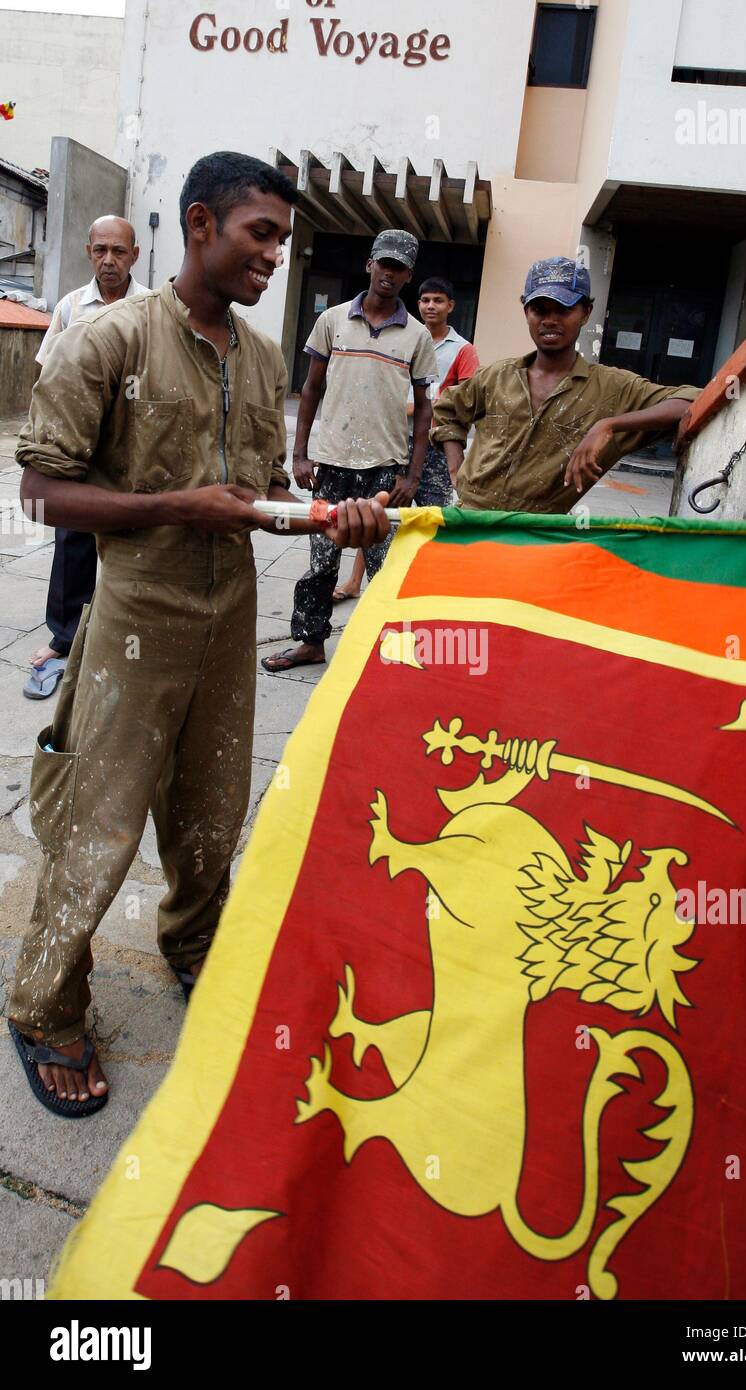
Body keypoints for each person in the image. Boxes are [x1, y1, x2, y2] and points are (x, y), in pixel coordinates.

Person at [7, 151, 389, 1118]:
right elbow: (40, 494)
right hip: (136, 619)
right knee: (98, 826)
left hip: (230, 623)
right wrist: (181, 502)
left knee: (214, 814)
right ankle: (44, 1004)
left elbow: (263, 492)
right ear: (201, 223)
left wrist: (330, 516)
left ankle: (192, 944)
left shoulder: (260, 358)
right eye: (261, 235)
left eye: (283, 242)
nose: (274, 257)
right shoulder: (113, 339)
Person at [262, 229, 436, 673]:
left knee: (384, 567)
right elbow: (311, 388)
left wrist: (411, 475)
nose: (389, 274)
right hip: (332, 465)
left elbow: (423, 412)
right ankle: (310, 642)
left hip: (385, 469)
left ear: (408, 275)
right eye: (383, 263)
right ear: (369, 264)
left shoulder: (417, 336)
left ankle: (384, 652)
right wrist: (299, 454)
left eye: (398, 267)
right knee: (321, 563)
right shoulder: (334, 320)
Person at [431, 256, 701, 512]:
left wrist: (608, 425)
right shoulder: (497, 376)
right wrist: (456, 471)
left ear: (586, 313)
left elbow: (691, 400)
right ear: (526, 311)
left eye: (563, 309)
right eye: (539, 310)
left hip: (540, 534)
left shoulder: (611, 388)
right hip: (471, 522)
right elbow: (448, 411)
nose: (550, 320)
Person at [24, 217, 148, 700]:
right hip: (78, 444)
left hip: (132, 446)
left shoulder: (150, 309)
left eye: (119, 251)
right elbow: (45, 376)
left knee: (135, 540)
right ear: (88, 251)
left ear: (134, 255)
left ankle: (128, 639)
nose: (109, 260)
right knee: (72, 538)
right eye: (100, 250)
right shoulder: (70, 308)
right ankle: (65, 635)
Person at [333, 275, 480, 603]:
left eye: (438, 301)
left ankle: (433, 590)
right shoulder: (404, 336)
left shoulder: (463, 350)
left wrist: (417, 407)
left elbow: (466, 398)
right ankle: (355, 581)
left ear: (451, 306)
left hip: (436, 451)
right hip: (394, 443)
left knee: (434, 520)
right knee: (378, 513)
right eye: (426, 300)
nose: (431, 306)